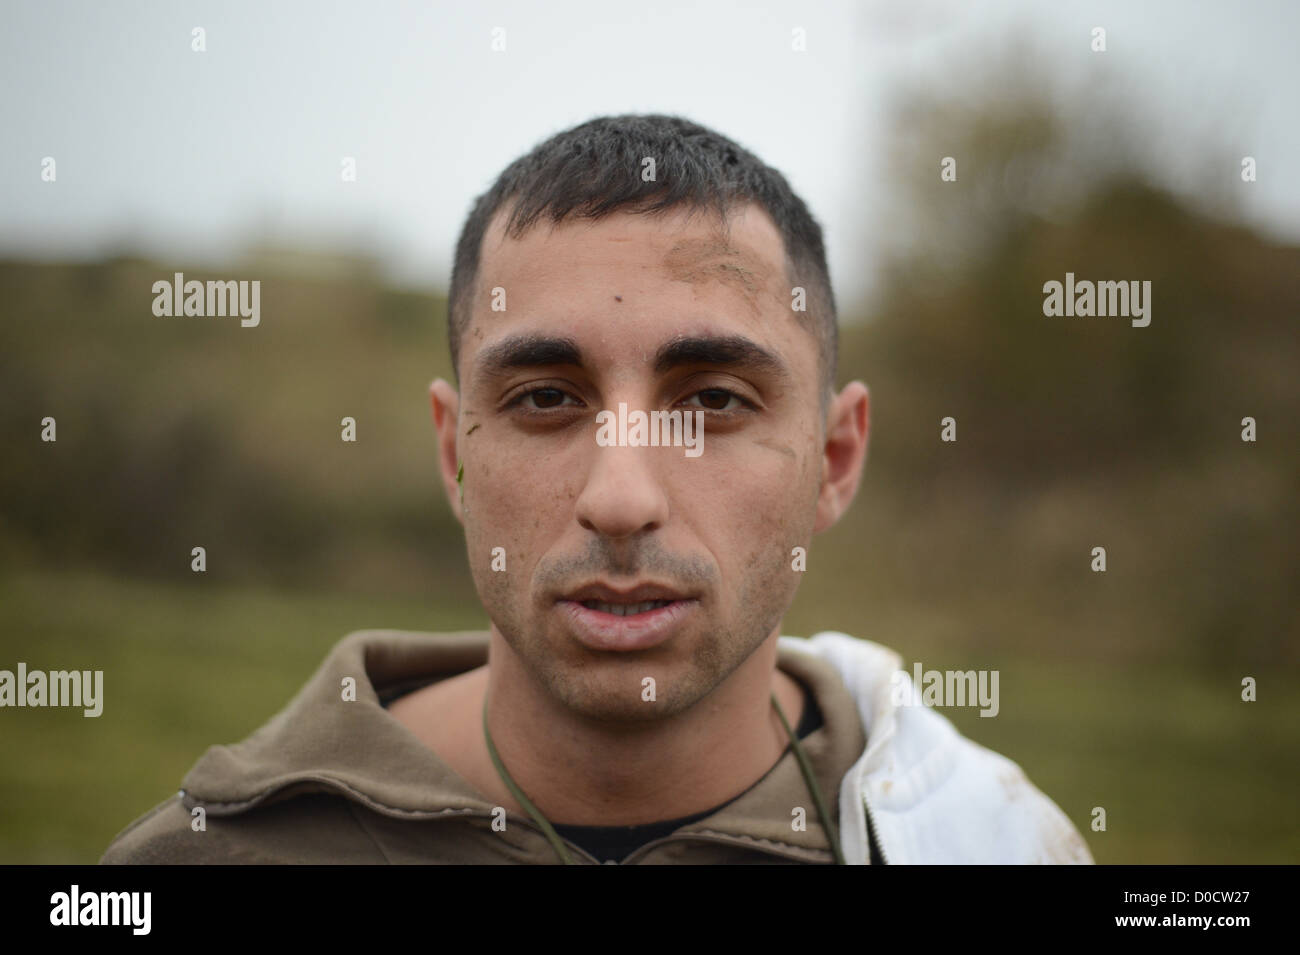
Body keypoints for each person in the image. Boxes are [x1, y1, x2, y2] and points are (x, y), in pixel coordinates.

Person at [102, 114, 1093, 865]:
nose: (619, 501)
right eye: (544, 396)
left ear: (833, 460)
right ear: (455, 451)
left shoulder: (992, 840)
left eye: (711, 399)